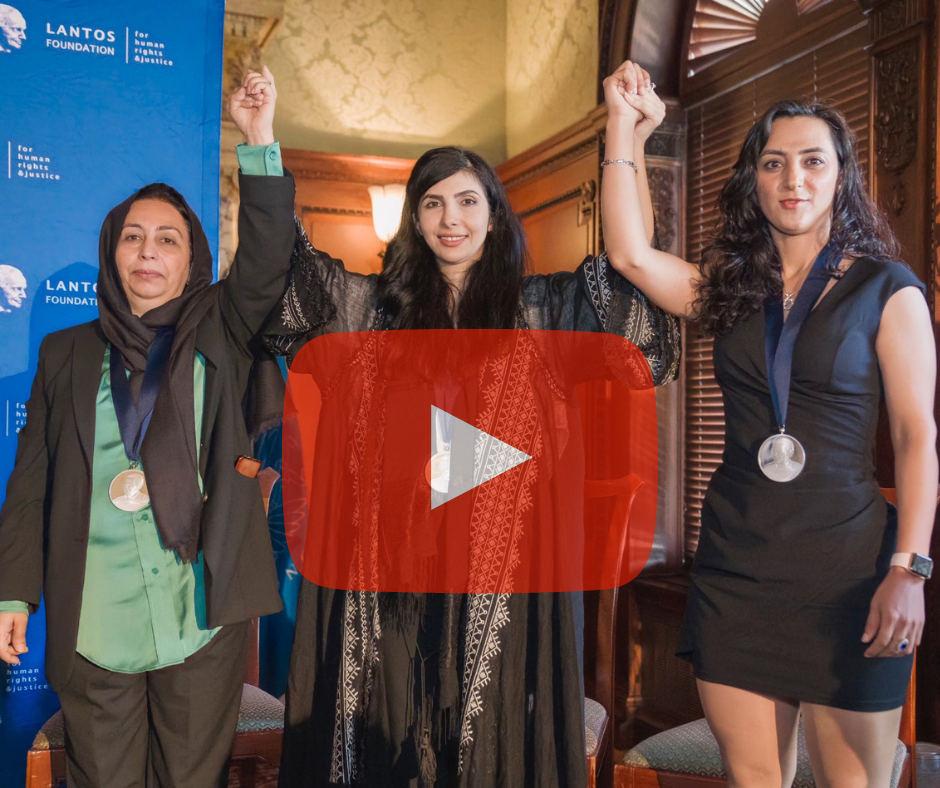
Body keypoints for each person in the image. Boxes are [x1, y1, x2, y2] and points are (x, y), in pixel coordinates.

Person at [263, 62, 679, 788]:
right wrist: (262, 141)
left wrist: (625, 135)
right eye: (432, 204)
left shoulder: (542, 312)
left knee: (485, 747)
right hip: (387, 577)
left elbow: (630, 288)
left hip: (503, 586)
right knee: (383, 742)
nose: (449, 219)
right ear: (415, 220)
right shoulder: (369, 311)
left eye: (465, 201)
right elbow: (283, 280)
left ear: (493, 213)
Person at [601, 61, 937, 787]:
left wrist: (910, 569)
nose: (794, 179)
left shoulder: (888, 289)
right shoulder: (727, 289)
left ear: (840, 176)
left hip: (849, 573)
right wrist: (624, 125)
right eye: (774, 162)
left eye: (813, 161)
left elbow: (917, 439)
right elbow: (628, 254)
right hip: (737, 569)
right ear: (754, 181)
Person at [0, 66, 296, 787]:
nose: (148, 254)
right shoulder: (65, 352)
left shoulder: (219, 329)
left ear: (193, 257)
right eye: (133, 238)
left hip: (198, 615)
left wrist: (257, 138)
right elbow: (31, 483)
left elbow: (263, 264)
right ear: (114, 253)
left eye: (167, 239)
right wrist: (13, 593)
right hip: (94, 622)